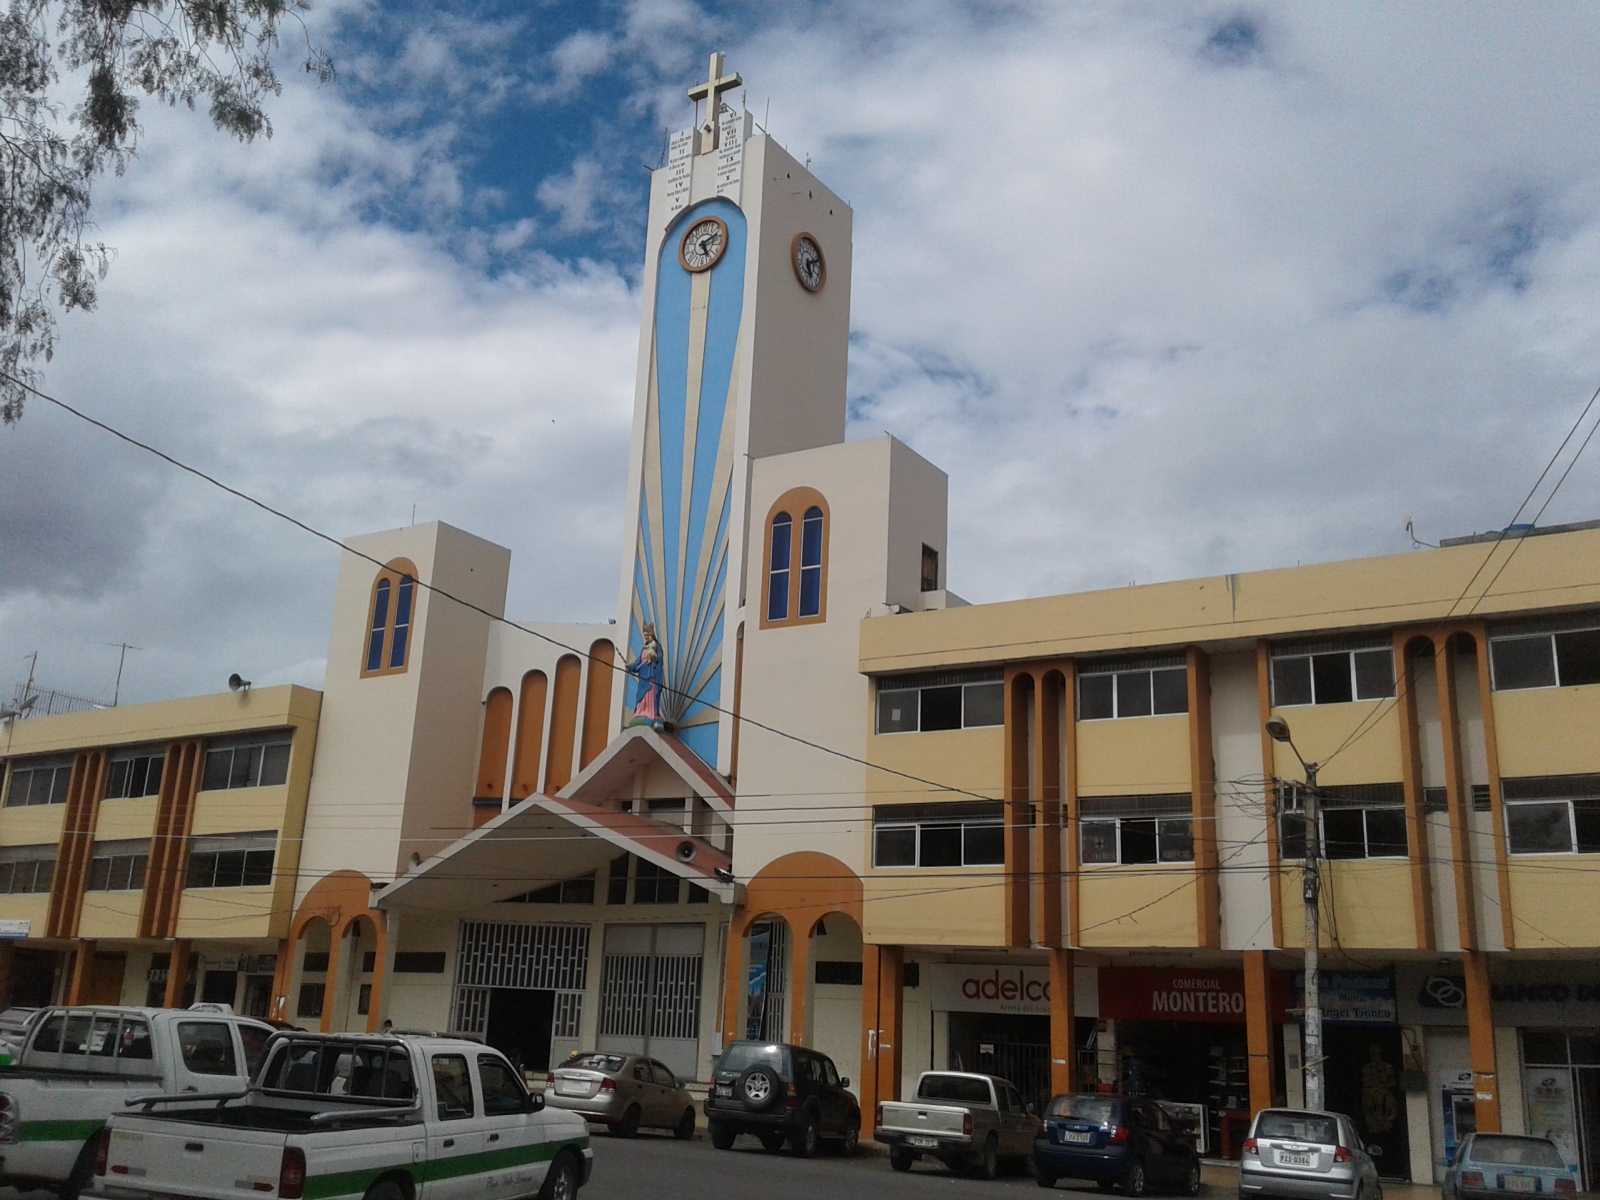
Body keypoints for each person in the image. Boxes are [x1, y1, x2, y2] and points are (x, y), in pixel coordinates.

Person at [626, 624, 666, 731]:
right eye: (645, 636)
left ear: (651, 634)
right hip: (643, 674)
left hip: (651, 674)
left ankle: (651, 712)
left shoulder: (657, 646)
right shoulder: (644, 649)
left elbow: (660, 659)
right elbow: (638, 662)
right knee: (641, 694)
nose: (646, 637)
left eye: (647, 635)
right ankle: (641, 711)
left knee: (650, 693)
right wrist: (630, 667)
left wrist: (653, 657)